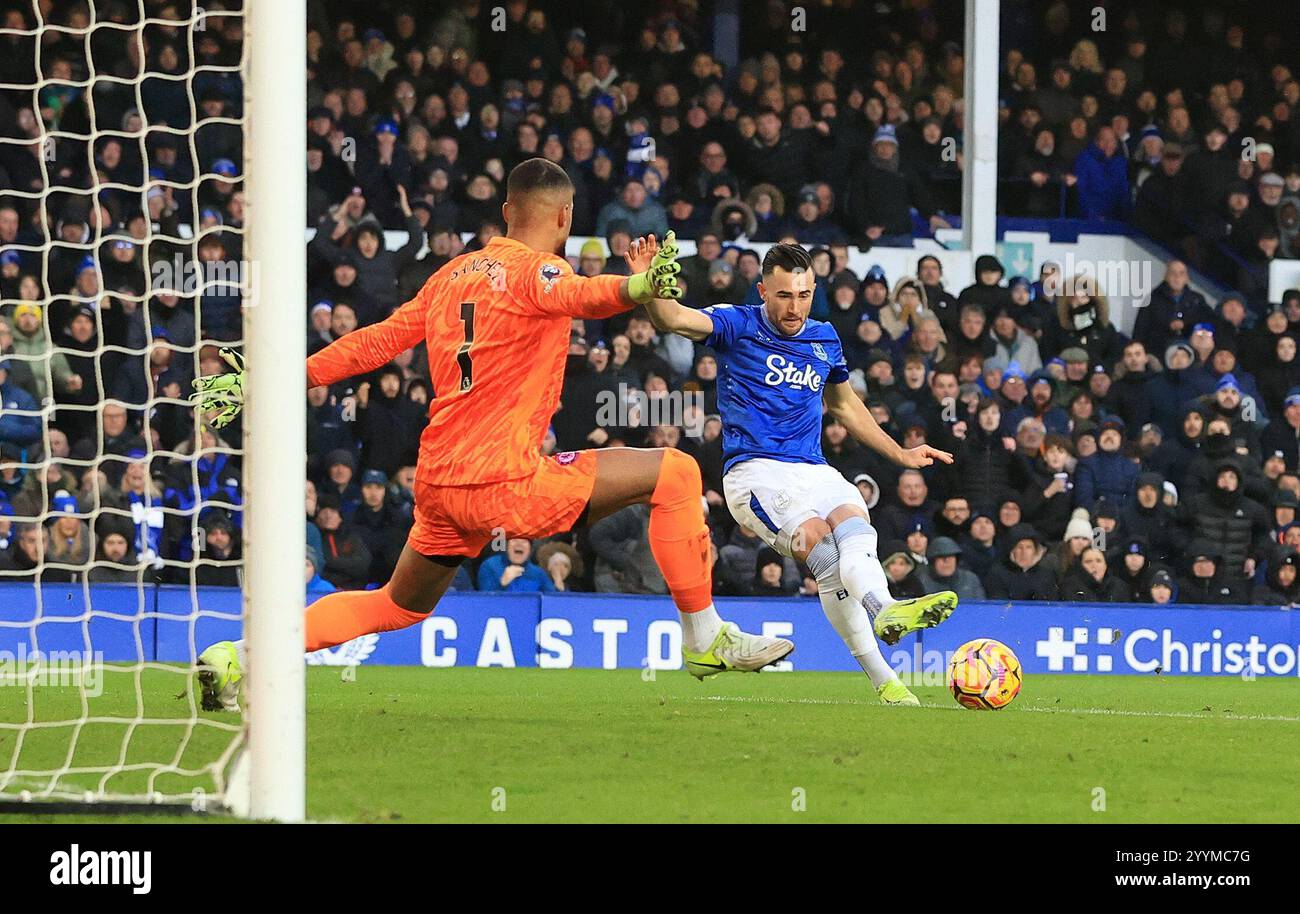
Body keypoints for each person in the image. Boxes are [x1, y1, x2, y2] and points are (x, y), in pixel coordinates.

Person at [191, 158, 786, 711]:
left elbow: (375, 342)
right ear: (565, 217)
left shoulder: (450, 276)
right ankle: (705, 637)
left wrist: (277, 379)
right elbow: (583, 295)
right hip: (504, 480)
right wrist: (638, 286)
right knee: (677, 472)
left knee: (397, 605)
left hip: (442, 483)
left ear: (505, 212)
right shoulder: (541, 270)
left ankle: (240, 656)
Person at [639, 238, 957, 706]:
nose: (795, 307)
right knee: (820, 547)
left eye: (804, 295)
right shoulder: (736, 324)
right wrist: (649, 285)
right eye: (785, 295)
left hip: (812, 468)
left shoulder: (824, 336)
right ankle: (883, 624)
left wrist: (901, 453)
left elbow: (845, 405)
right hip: (756, 474)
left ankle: (887, 643)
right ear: (763, 290)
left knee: (855, 530)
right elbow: (672, 318)